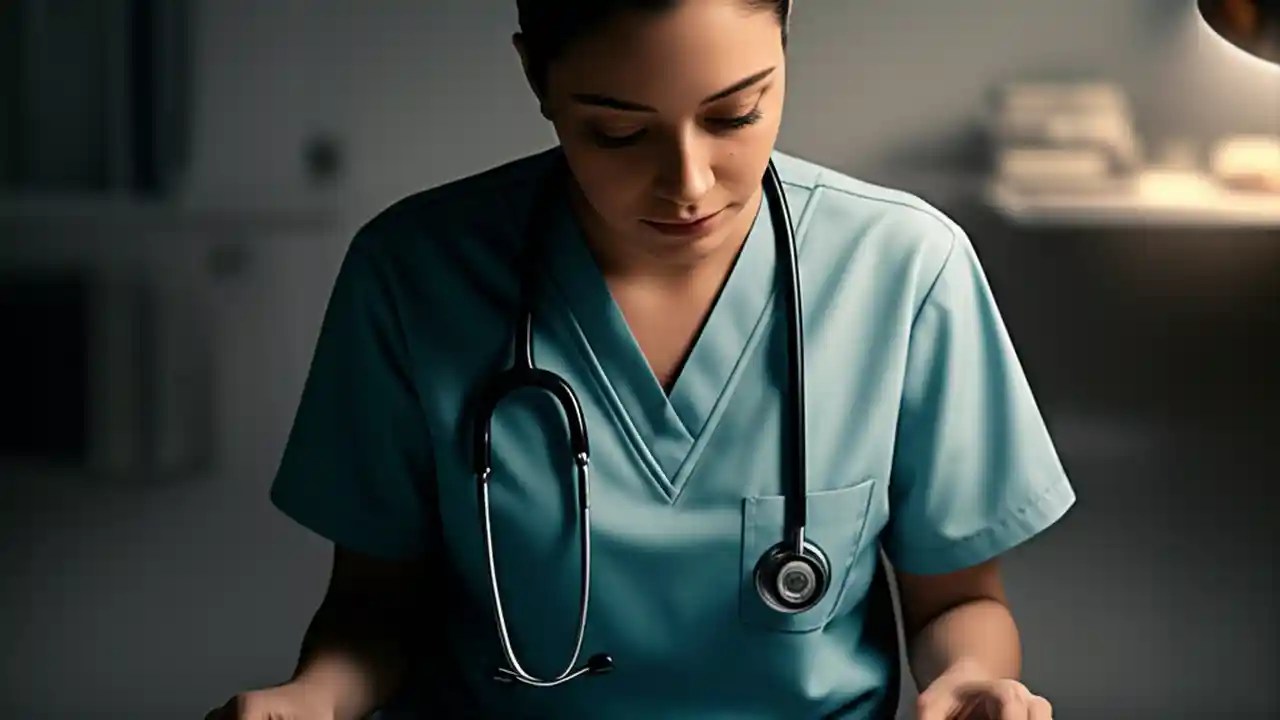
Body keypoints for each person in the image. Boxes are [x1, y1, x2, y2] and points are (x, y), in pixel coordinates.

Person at [204, 1, 1076, 718]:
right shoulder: (413, 275)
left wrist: (967, 679)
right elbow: (371, 610)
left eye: (736, 114)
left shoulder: (905, 269)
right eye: (619, 134)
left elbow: (960, 601)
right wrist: (312, 701)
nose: (689, 183)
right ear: (535, 79)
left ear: (786, 44)